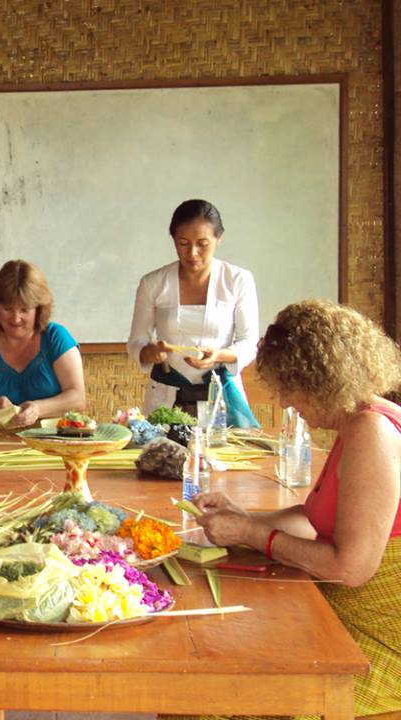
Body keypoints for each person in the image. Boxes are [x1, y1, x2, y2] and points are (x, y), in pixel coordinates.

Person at [195, 299, 401, 716]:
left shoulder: (371, 431)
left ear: (322, 380)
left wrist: (253, 535)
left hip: (379, 636)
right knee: (213, 671)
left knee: (221, 702)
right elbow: (314, 518)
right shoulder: (358, 422)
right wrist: (244, 519)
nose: (290, 405)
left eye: (292, 390)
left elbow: (350, 568)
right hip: (343, 611)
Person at [126, 199, 258, 416]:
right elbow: (135, 342)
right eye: (183, 243)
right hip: (166, 395)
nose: (193, 253)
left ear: (218, 239)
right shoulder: (153, 283)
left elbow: (248, 343)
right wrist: (150, 352)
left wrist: (219, 355)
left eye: (203, 244)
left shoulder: (237, 280)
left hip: (220, 395)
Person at [0, 259, 85, 427]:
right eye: (7, 309)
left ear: (39, 309)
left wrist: (38, 409)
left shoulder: (56, 338)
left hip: (51, 445)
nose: (15, 318)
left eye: (24, 310)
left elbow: (78, 399)